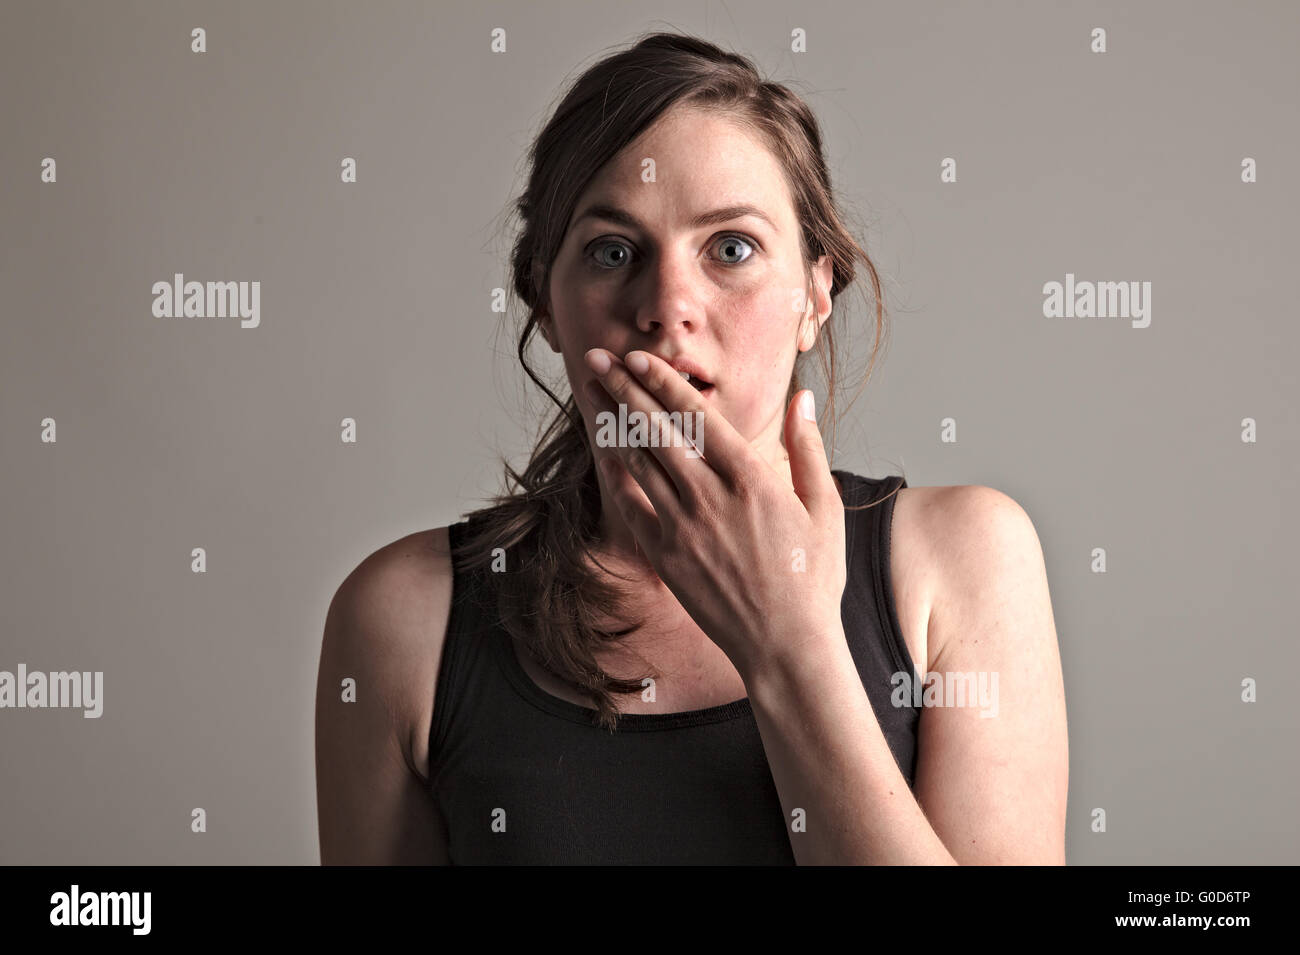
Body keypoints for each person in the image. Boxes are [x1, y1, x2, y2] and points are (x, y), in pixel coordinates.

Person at [315, 31, 1068, 865]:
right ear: (545, 300)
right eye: (613, 251)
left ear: (814, 294)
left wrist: (790, 640)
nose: (668, 306)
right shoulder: (400, 618)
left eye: (732, 249)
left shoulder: (964, 560)